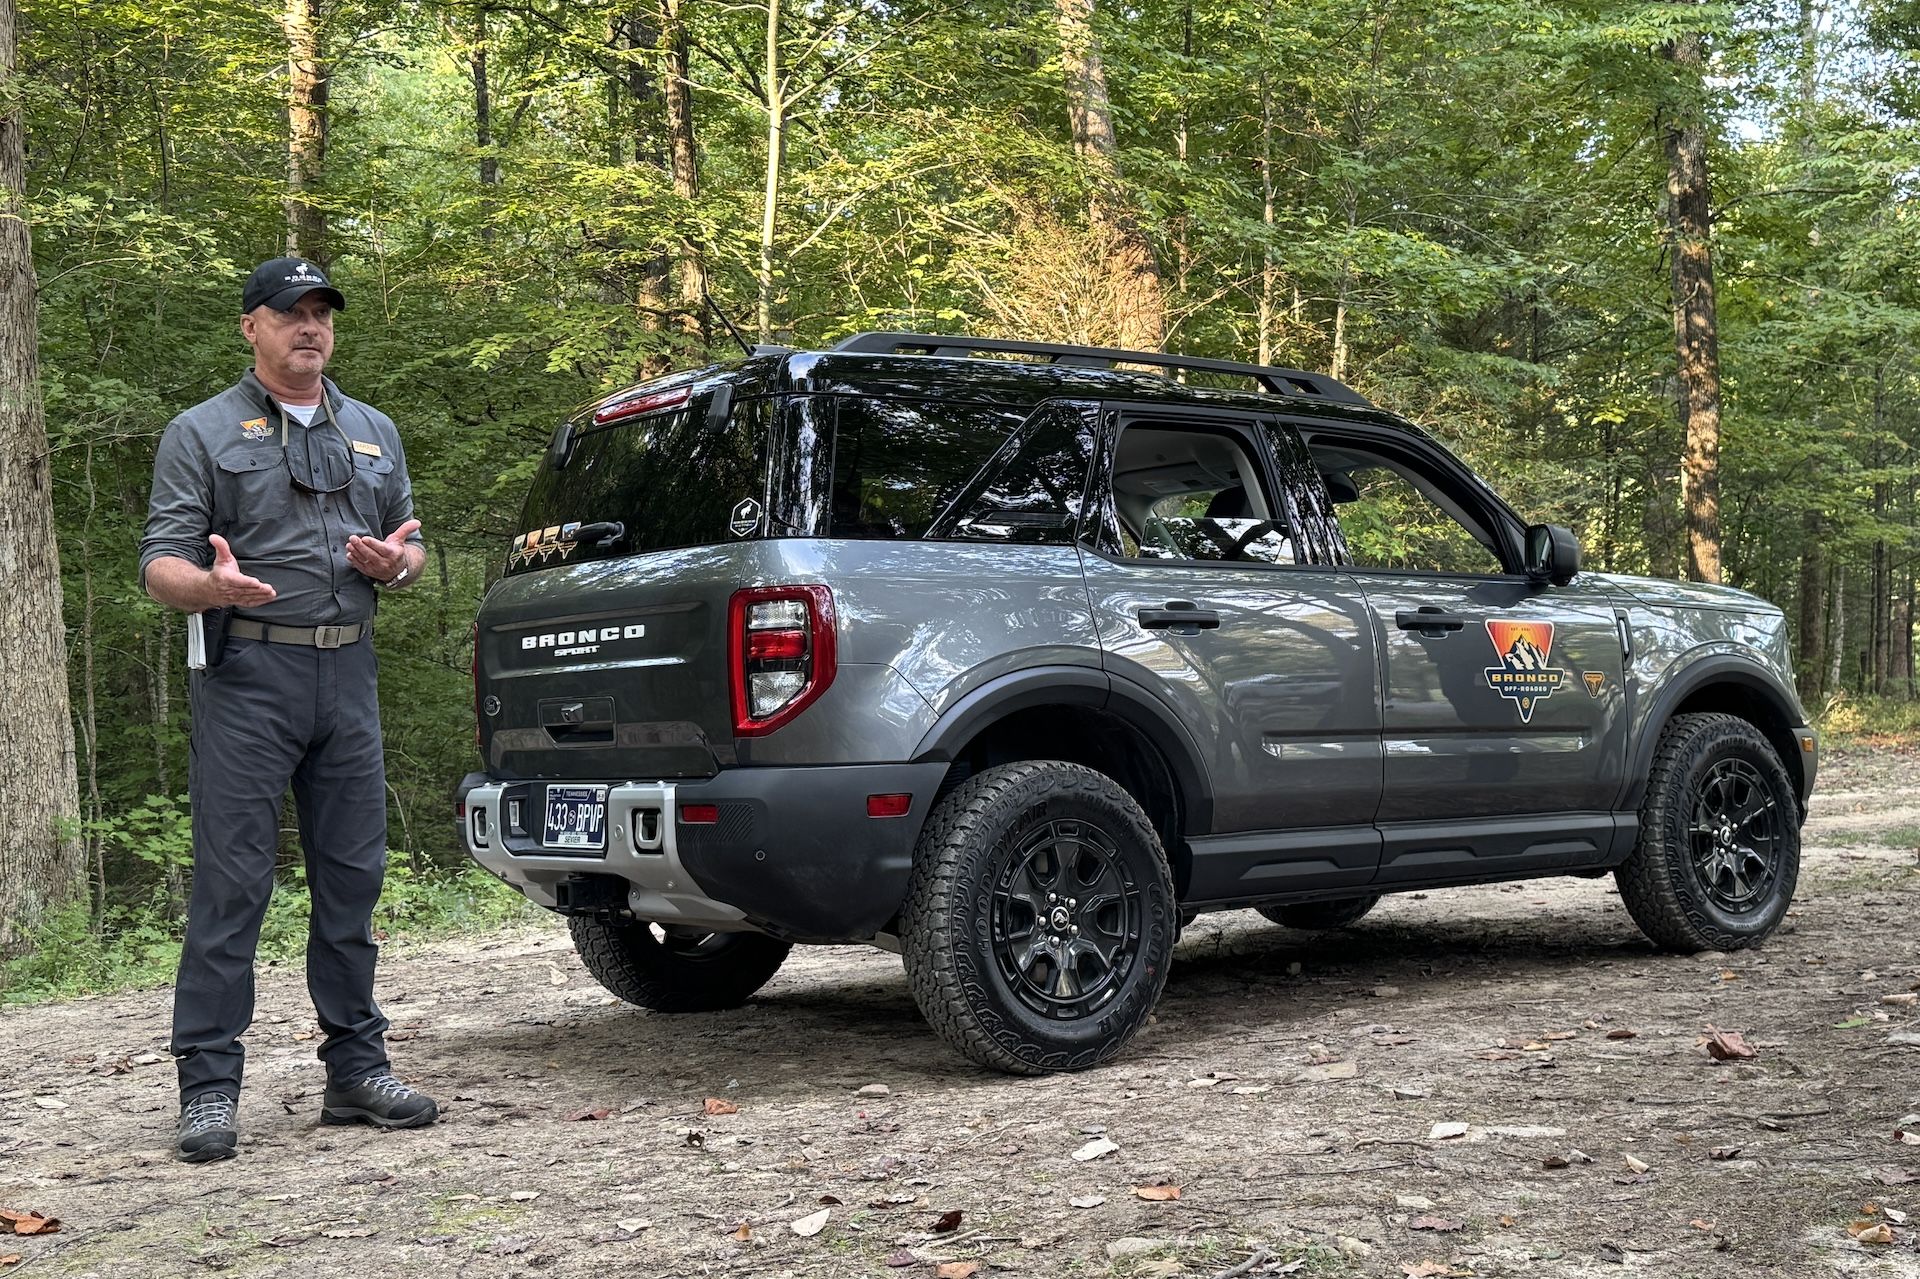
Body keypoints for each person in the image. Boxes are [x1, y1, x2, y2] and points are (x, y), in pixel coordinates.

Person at [140, 257, 439, 1162]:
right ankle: (207, 1087)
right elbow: (160, 567)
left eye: (321, 314)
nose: (309, 327)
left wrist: (400, 568)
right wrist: (212, 585)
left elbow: (412, 543)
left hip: (347, 679)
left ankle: (356, 1069)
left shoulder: (374, 431)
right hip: (248, 680)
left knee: (353, 881)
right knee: (233, 885)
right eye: (289, 312)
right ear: (252, 328)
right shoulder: (198, 433)